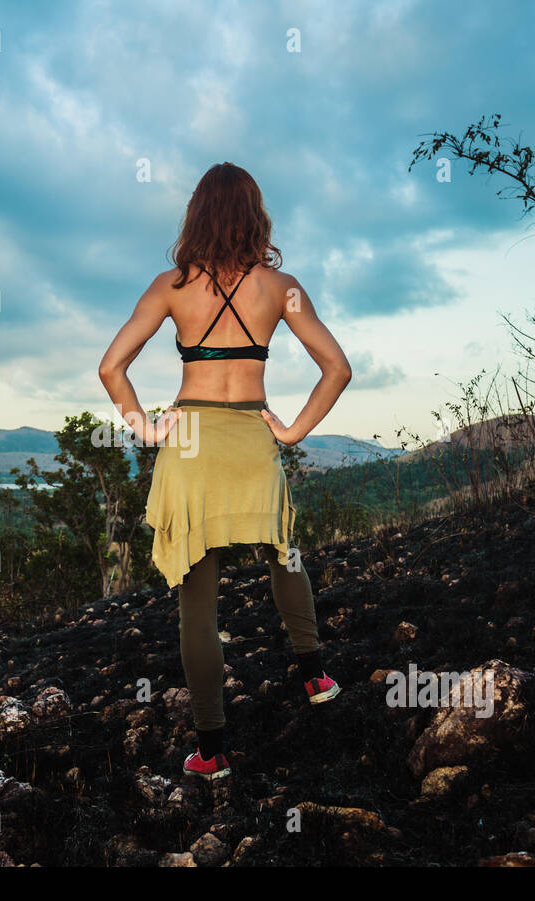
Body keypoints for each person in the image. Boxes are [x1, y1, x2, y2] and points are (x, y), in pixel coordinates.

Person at [98, 162, 353, 780]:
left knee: (198, 604)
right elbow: (337, 368)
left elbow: (111, 368)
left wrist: (146, 425)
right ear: (254, 215)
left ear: (197, 215)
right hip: (250, 438)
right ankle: (315, 673)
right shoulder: (282, 287)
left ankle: (211, 750)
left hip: (189, 444)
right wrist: (291, 430)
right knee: (283, 555)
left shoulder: (170, 286)